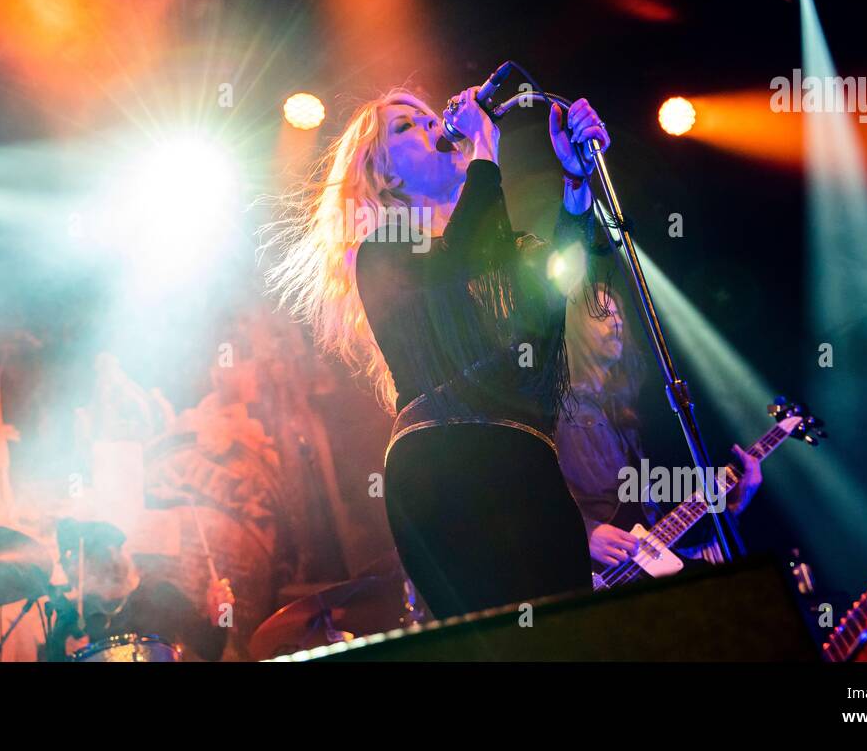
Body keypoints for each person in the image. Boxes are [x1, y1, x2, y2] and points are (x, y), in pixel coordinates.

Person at [265, 83, 611, 618]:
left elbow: (557, 293)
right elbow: (453, 267)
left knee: (568, 629)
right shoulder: (381, 251)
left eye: (429, 118)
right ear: (386, 176)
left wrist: (575, 181)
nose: (431, 126)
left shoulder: (502, 249)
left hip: (529, 461)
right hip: (445, 464)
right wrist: (483, 154)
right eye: (406, 127)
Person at [557, 287, 763, 572]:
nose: (615, 322)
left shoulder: (621, 416)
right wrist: (585, 533)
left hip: (638, 570)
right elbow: (532, 496)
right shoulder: (559, 410)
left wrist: (732, 507)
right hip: (590, 574)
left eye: (617, 314)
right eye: (602, 315)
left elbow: (653, 527)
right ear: (574, 329)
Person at [45, 519, 235, 661]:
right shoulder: (74, 616)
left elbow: (213, 651)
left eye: (116, 552)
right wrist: (66, 654)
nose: (113, 561)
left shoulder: (161, 593)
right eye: (103, 556)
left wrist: (224, 613)